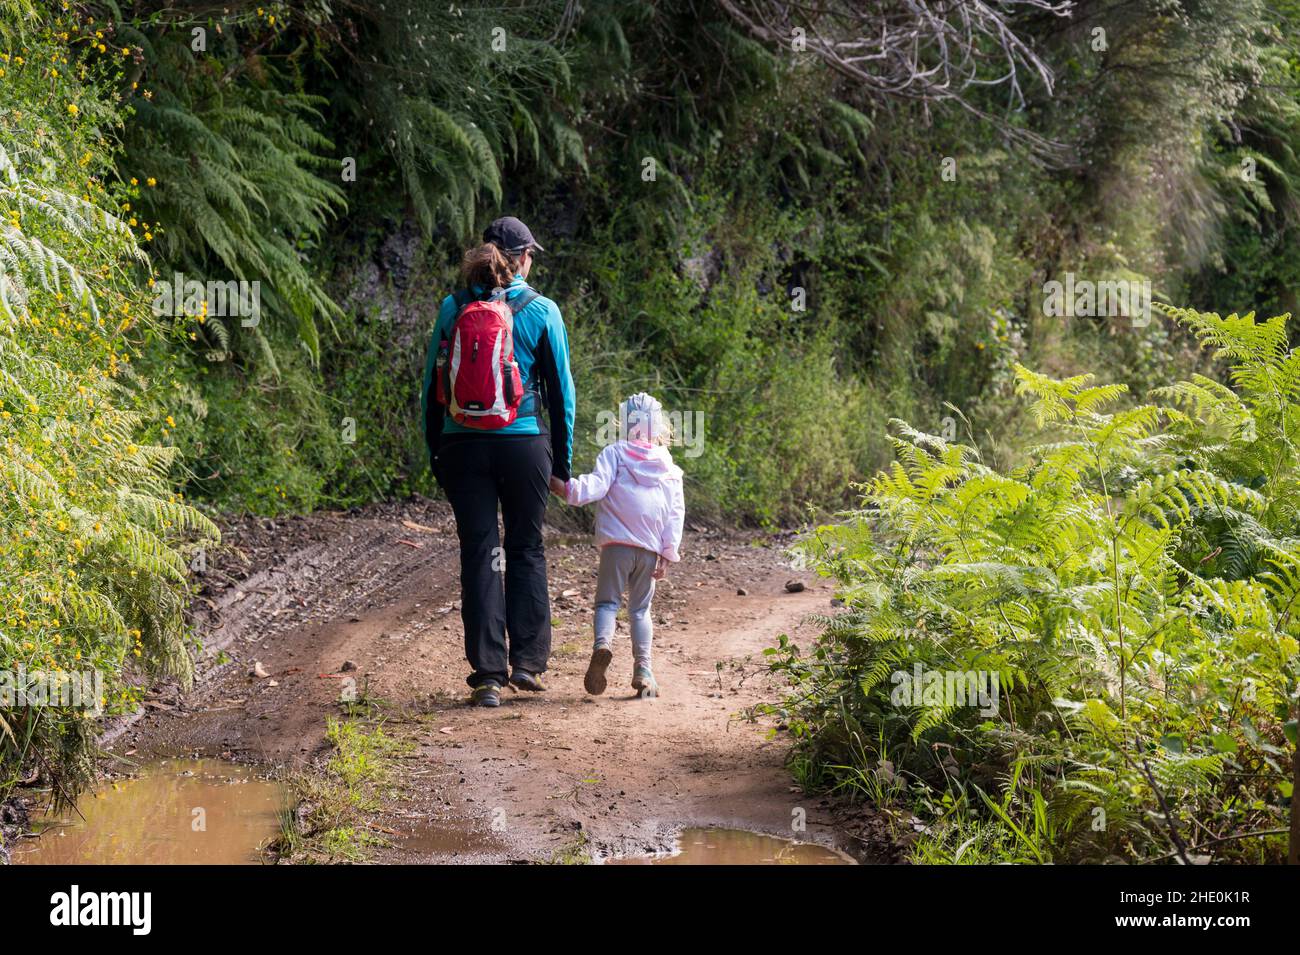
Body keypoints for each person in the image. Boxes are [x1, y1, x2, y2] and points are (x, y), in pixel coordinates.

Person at [421, 216, 575, 707]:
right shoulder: (543, 309)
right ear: (524, 258)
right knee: (527, 548)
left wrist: (438, 454)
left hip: (462, 446)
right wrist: (562, 465)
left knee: (481, 553)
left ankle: (488, 676)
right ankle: (527, 665)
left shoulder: (453, 307)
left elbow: (431, 389)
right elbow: (561, 395)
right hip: (524, 443)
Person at [552, 393, 685, 698]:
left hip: (617, 546)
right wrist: (669, 552)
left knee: (607, 603)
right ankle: (644, 669)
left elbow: (596, 486)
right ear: (658, 427)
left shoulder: (614, 453)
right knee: (640, 610)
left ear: (624, 423)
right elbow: (675, 512)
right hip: (650, 549)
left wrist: (567, 489)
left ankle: (602, 645)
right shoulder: (668, 466)